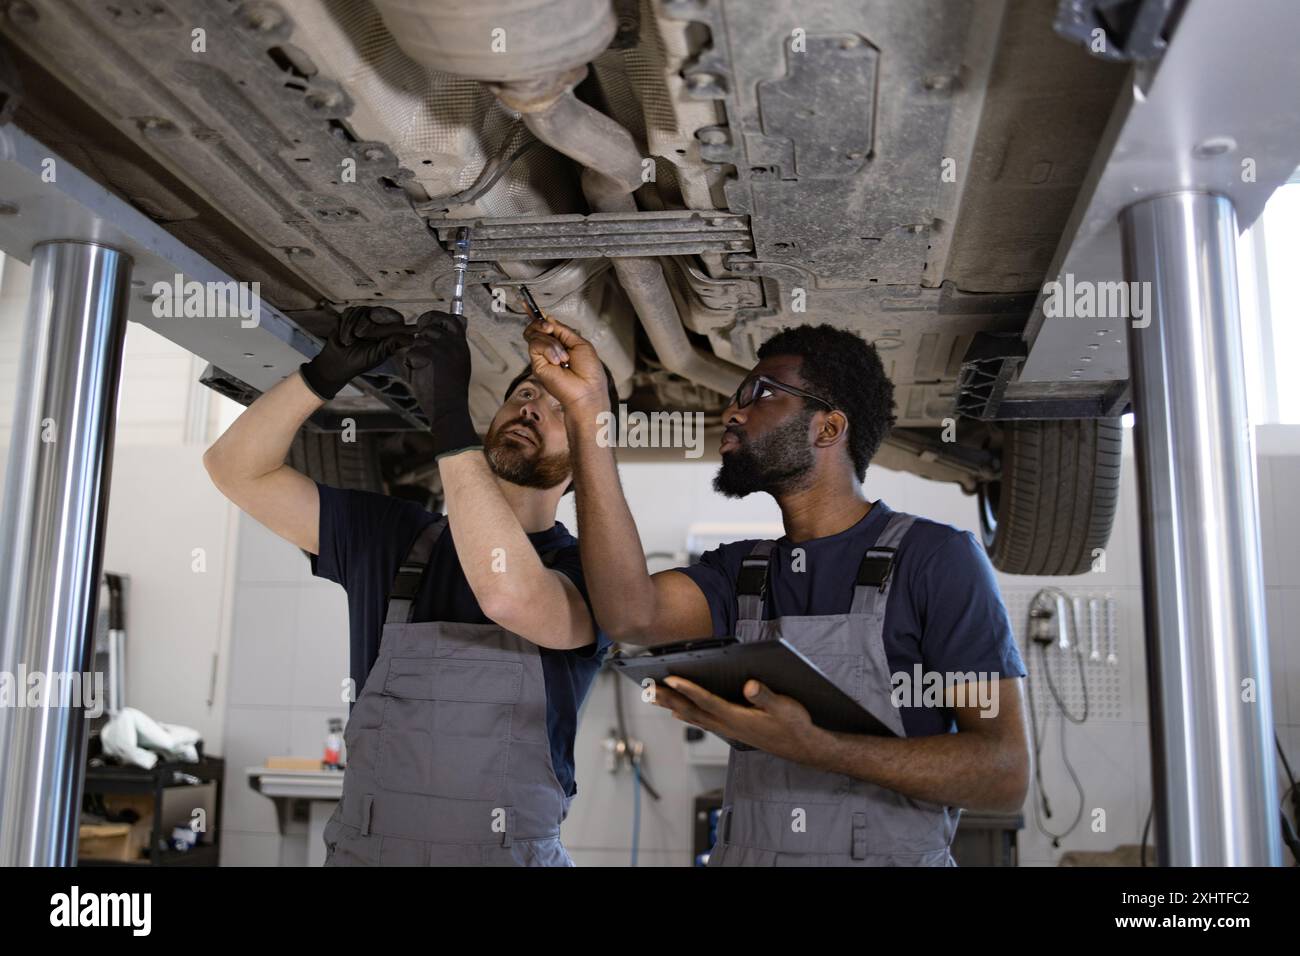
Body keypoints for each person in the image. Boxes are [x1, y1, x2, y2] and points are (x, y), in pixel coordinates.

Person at [523, 316, 1031, 866]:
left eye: (761, 394)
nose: (732, 412)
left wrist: (820, 749)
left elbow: (1002, 774)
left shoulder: (935, 559)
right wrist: (587, 414)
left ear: (828, 428)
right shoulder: (743, 570)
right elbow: (629, 616)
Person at [203, 305, 615, 865]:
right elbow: (235, 468)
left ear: (587, 456)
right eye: (522, 393)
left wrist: (448, 415)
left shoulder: (593, 573)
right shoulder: (395, 537)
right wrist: (322, 373)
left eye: (557, 407)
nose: (529, 409)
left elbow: (509, 594)